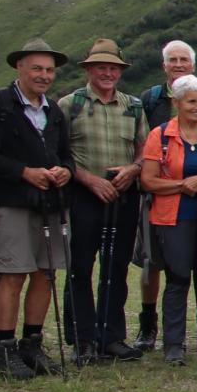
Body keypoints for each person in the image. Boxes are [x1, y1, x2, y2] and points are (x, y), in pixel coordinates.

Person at [0, 38, 77, 380]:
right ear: (20, 67)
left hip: (50, 203)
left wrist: (66, 170)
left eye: (49, 70)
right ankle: (4, 346)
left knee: (46, 274)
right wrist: (23, 172)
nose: (44, 76)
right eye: (37, 69)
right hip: (11, 201)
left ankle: (32, 344)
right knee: (12, 274)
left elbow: (65, 154)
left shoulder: (53, 110)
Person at [59, 39, 146, 365]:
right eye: (101, 68)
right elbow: (60, 153)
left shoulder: (134, 106)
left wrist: (133, 170)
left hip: (123, 196)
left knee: (116, 266)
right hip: (83, 195)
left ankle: (111, 337)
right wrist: (90, 180)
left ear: (120, 72)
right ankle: (82, 339)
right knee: (80, 267)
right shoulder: (70, 104)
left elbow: (145, 150)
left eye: (113, 68)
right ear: (89, 70)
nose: (108, 73)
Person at [140, 75, 197, 365]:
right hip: (173, 217)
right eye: (192, 101)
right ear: (177, 102)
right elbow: (149, 180)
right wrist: (186, 185)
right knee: (177, 277)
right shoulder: (159, 136)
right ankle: (173, 344)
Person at [134, 40, 196, 350]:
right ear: (164, 66)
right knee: (152, 261)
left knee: (195, 262)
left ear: (193, 65)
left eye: (184, 59)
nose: (178, 64)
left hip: (194, 192)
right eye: (173, 60)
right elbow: (140, 140)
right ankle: (148, 324)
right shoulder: (150, 99)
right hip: (157, 191)